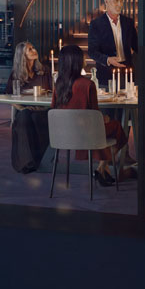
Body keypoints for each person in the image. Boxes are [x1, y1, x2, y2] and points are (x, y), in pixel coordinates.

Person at [52, 44, 125, 186]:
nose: (85, 57)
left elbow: (54, 109)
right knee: (117, 128)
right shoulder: (87, 84)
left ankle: (103, 170)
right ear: (77, 61)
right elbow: (94, 114)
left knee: (105, 128)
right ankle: (101, 167)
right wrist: (104, 118)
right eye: (83, 56)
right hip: (87, 133)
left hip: (64, 134)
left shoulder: (58, 83)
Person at [85, 0, 138, 89]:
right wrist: (108, 59)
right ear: (106, 2)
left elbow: (137, 46)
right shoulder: (96, 24)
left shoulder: (128, 22)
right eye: (116, 1)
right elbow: (92, 51)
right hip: (106, 74)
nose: (119, 4)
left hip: (127, 72)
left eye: (121, 1)